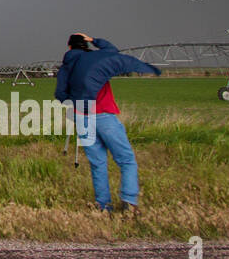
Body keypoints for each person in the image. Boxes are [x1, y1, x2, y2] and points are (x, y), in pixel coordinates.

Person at [56, 33, 161, 214]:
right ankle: (128, 200)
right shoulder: (96, 58)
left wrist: (74, 102)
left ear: (69, 48)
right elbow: (112, 51)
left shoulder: (66, 67)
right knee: (126, 160)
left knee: (98, 163)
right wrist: (94, 40)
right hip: (104, 115)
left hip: (82, 117)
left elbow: (60, 94)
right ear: (86, 46)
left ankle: (103, 206)